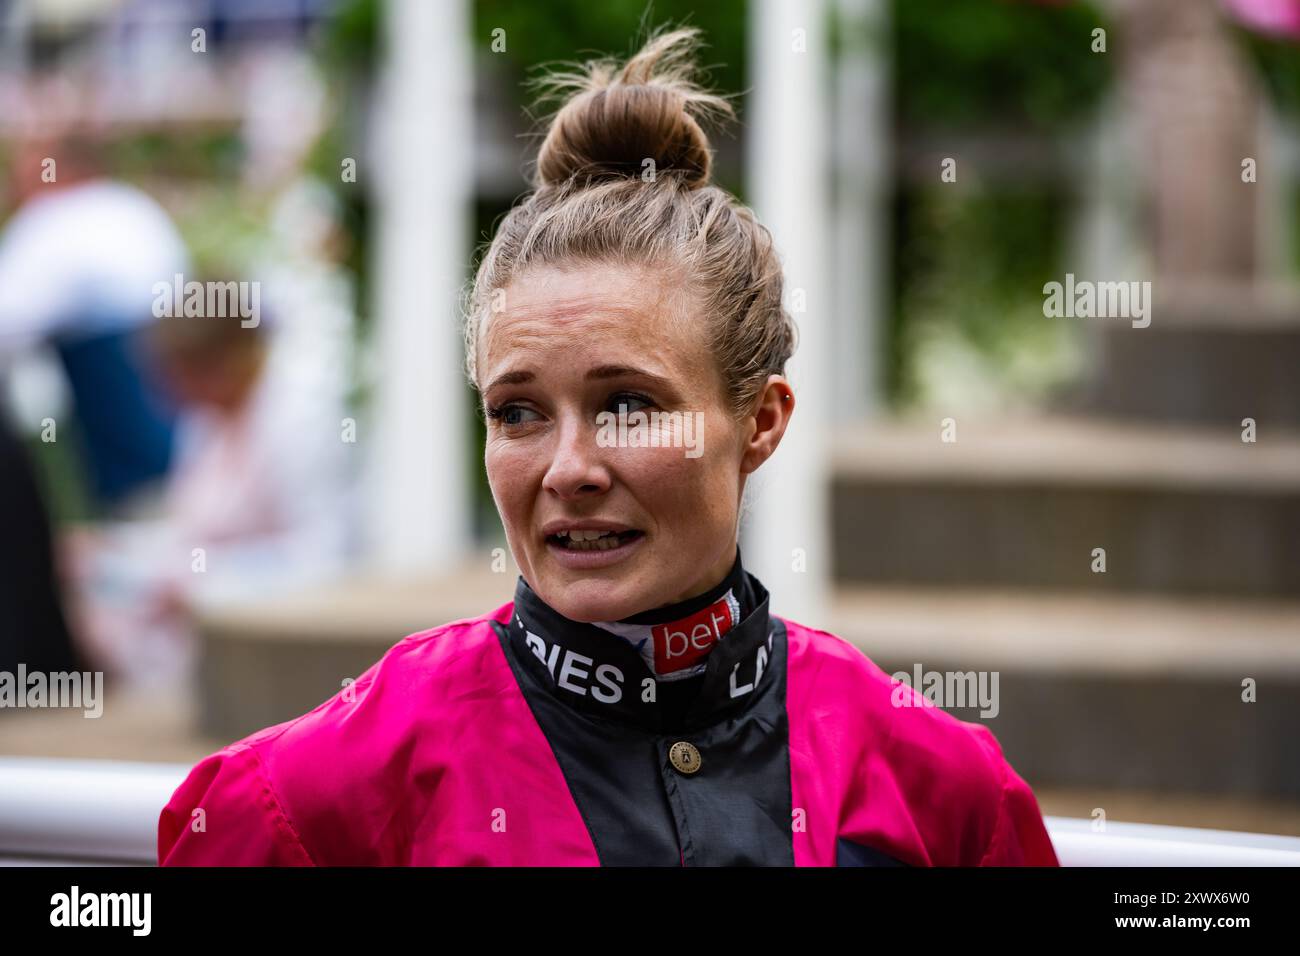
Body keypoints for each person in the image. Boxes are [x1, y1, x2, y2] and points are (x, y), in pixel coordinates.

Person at [158, 27, 1058, 867]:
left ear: (762, 421)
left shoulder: (932, 781)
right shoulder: (333, 782)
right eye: (518, 413)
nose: (569, 470)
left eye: (628, 405)